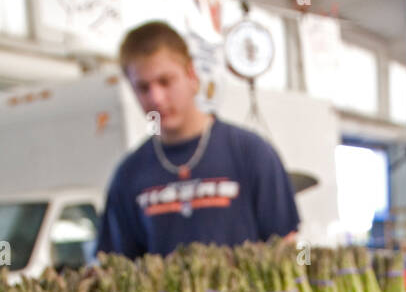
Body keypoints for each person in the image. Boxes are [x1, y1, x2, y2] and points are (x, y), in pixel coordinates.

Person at [97, 21, 299, 256]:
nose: (156, 99)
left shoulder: (252, 152)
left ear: (191, 76)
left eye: (165, 81)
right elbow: (119, 264)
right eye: (143, 88)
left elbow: (287, 245)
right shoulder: (128, 175)